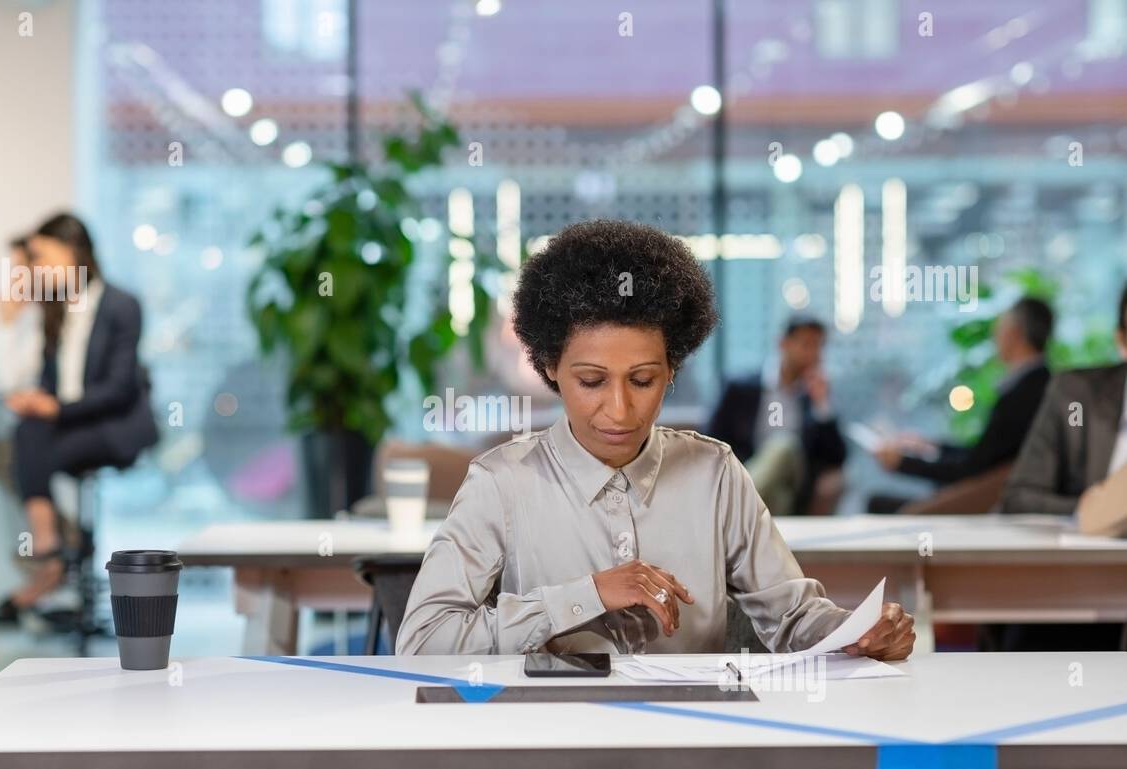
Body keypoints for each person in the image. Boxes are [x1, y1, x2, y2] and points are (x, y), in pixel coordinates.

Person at [396, 219, 913, 659]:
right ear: (551, 368)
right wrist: (587, 595)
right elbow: (422, 642)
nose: (619, 410)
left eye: (642, 381)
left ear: (672, 369)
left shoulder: (715, 474)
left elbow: (793, 617)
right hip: (550, 747)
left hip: (698, 752)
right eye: (592, 381)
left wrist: (853, 633)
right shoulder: (501, 483)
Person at [0, 213, 158, 615]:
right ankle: (56, 548)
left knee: (27, 440)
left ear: (73, 254)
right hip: (64, 424)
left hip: (111, 425)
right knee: (26, 430)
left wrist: (57, 408)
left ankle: (54, 553)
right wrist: (38, 399)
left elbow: (120, 390)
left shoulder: (122, 305)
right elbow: (29, 376)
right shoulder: (52, 310)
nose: (35, 268)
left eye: (41, 257)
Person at [997, 285, 1127, 651]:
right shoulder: (1076, 395)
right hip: (1077, 585)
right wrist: (1094, 510)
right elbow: (1019, 496)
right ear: (1121, 340)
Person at [867, 296, 1053, 513]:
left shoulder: (1025, 393)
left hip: (987, 498)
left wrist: (904, 463)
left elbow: (975, 467)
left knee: (880, 505)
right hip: (986, 491)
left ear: (1015, 333)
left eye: (999, 328)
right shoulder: (1037, 383)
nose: (994, 336)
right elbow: (985, 454)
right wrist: (932, 447)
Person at [704, 316, 846, 515]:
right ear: (783, 344)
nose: (814, 354)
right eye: (807, 345)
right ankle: (759, 530)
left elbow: (836, 458)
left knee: (783, 445)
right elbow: (712, 440)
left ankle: (737, 507)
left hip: (795, 478)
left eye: (819, 347)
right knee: (778, 498)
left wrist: (822, 404)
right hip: (750, 472)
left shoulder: (813, 397)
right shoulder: (739, 388)